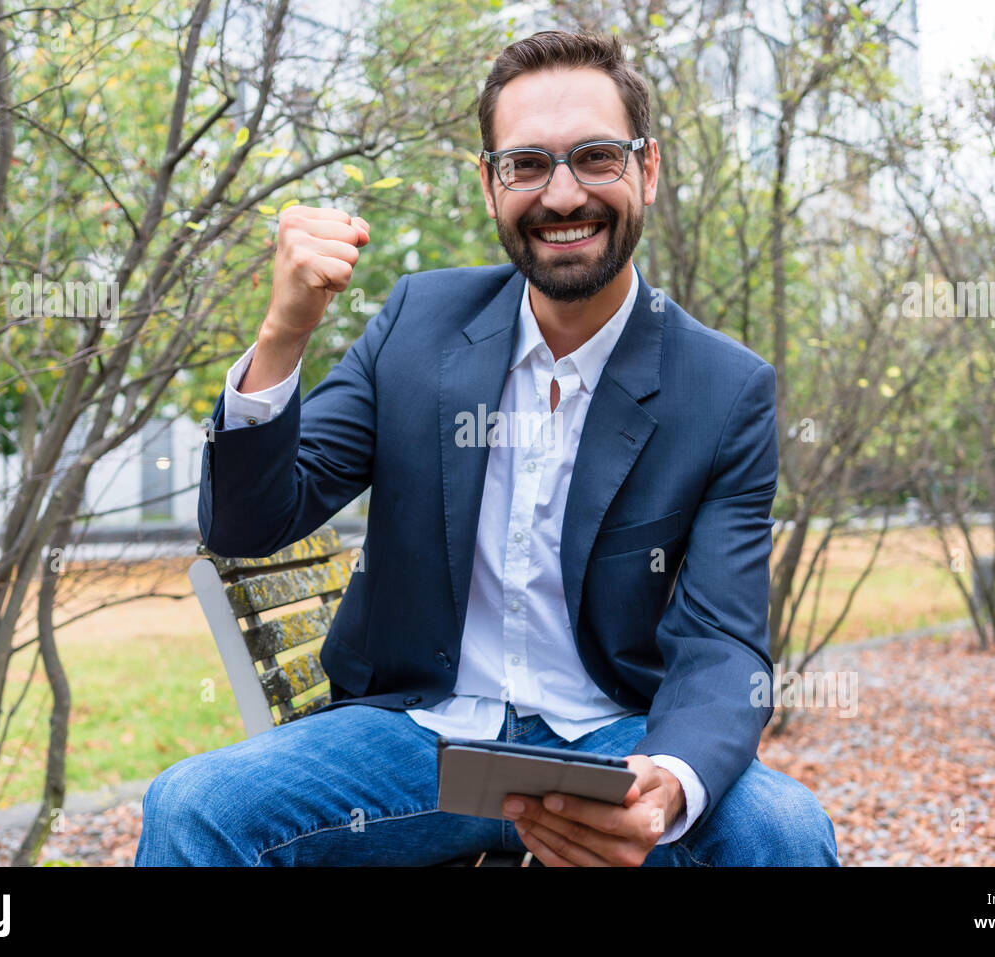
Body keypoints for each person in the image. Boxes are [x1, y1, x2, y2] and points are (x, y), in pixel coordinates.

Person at [136, 29, 839, 867]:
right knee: (192, 807)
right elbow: (249, 523)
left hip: (615, 741)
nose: (564, 193)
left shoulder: (724, 389)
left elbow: (724, 639)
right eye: (528, 164)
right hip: (420, 741)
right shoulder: (415, 324)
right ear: (489, 183)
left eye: (596, 156)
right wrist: (285, 333)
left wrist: (673, 778)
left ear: (647, 170)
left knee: (784, 833)